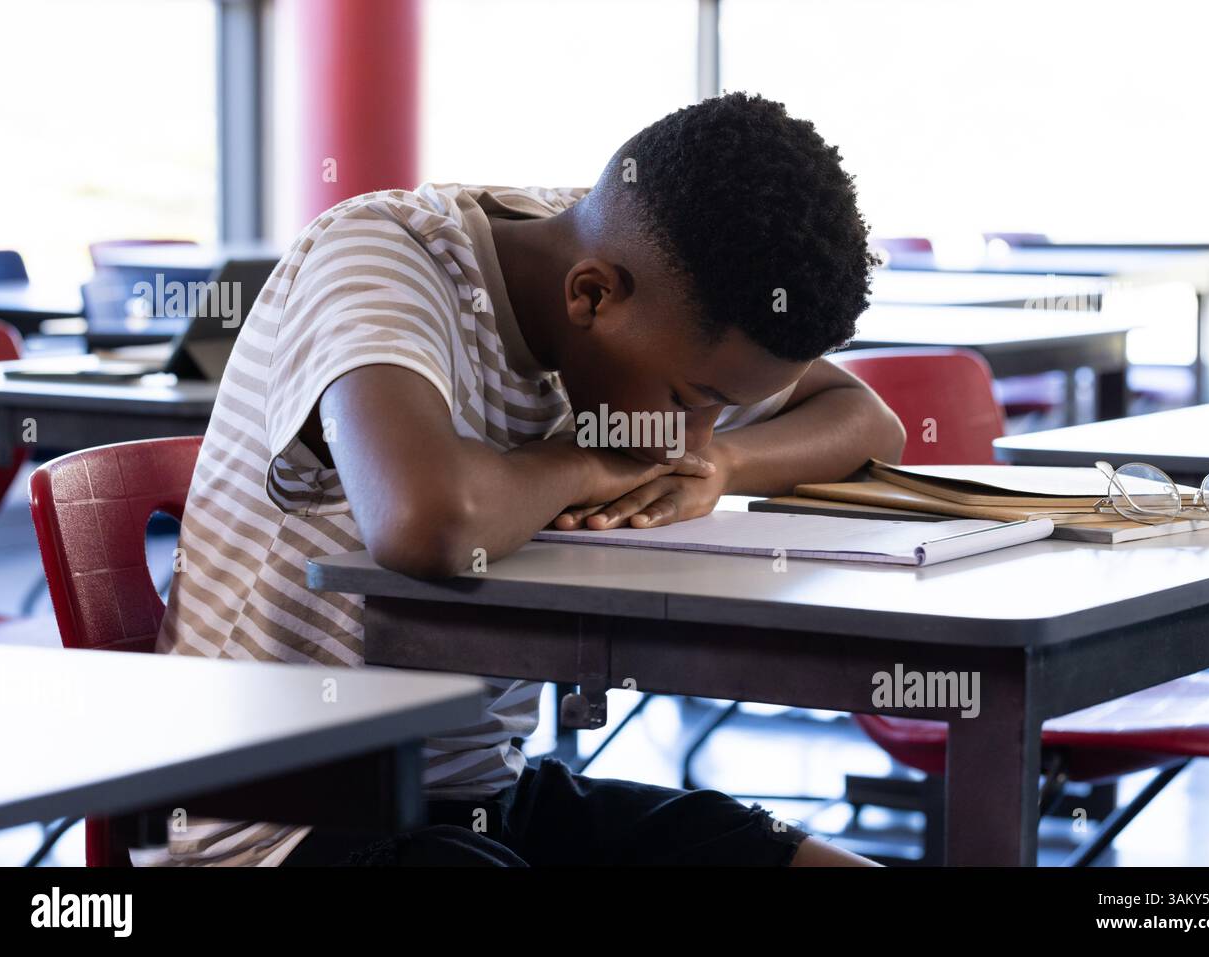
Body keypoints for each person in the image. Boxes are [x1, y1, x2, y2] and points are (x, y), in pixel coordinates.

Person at [145, 91, 903, 867]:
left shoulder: (665, 279)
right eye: (690, 401)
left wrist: (722, 467)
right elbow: (426, 522)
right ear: (592, 295)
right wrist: (587, 461)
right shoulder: (383, 254)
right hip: (271, 824)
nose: (686, 438)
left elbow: (867, 420)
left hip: (481, 798)